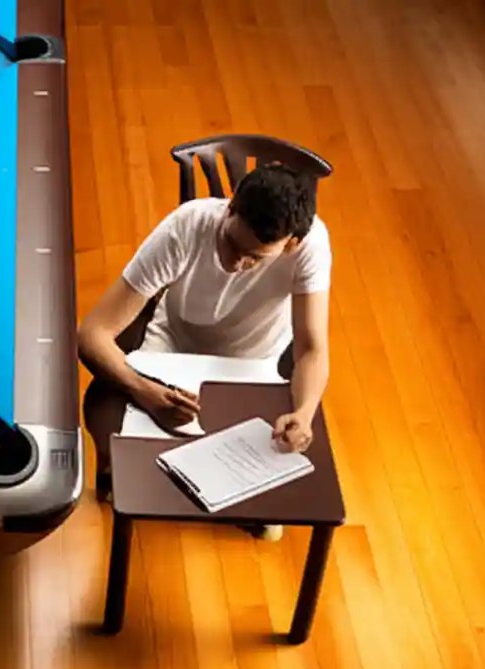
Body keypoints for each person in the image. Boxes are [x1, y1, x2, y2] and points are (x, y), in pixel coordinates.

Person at [77, 164, 330, 541]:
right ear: (229, 208)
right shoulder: (187, 225)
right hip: (174, 345)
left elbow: (312, 348)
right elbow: (91, 333)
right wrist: (141, 388)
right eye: (231, 243)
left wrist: (305, 414)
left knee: (269, 521)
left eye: (255, 257)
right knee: (137, 454)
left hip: (252, 365)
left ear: (290, 245)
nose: (234, 263)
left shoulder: (310, 246)